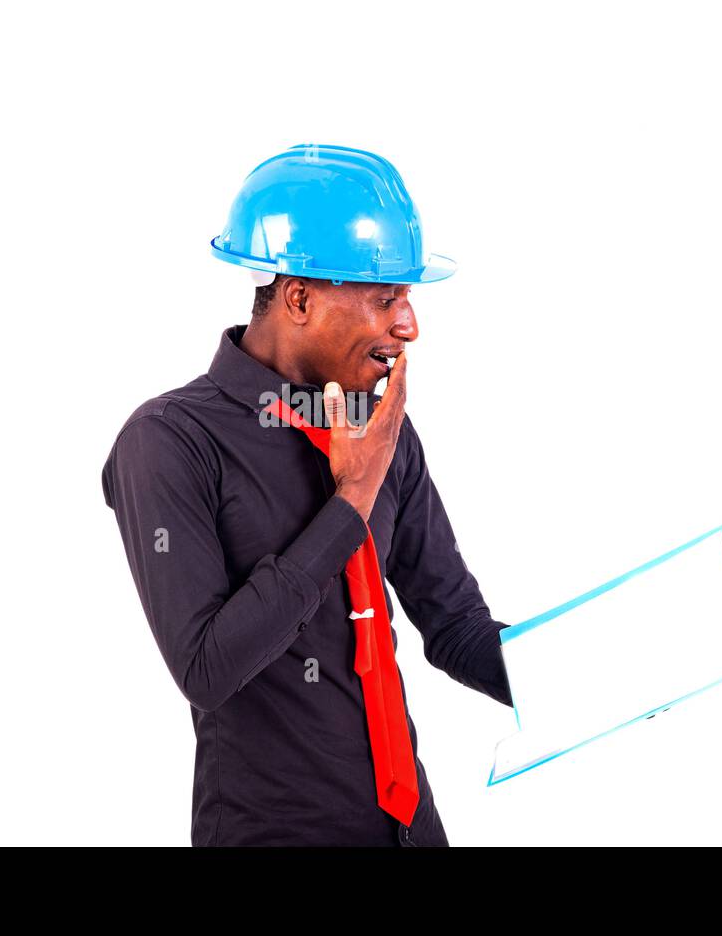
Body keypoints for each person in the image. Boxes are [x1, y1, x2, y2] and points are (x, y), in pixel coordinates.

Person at [101, 145, 513, 846]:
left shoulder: (381, 428)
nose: (409, 325)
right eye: (387, 298)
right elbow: (206, 664)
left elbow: (455, 626)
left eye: (407, 299)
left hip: (412, 831)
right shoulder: (169, 441)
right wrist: (349, 501)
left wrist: (592, 671)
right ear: (299, 297)